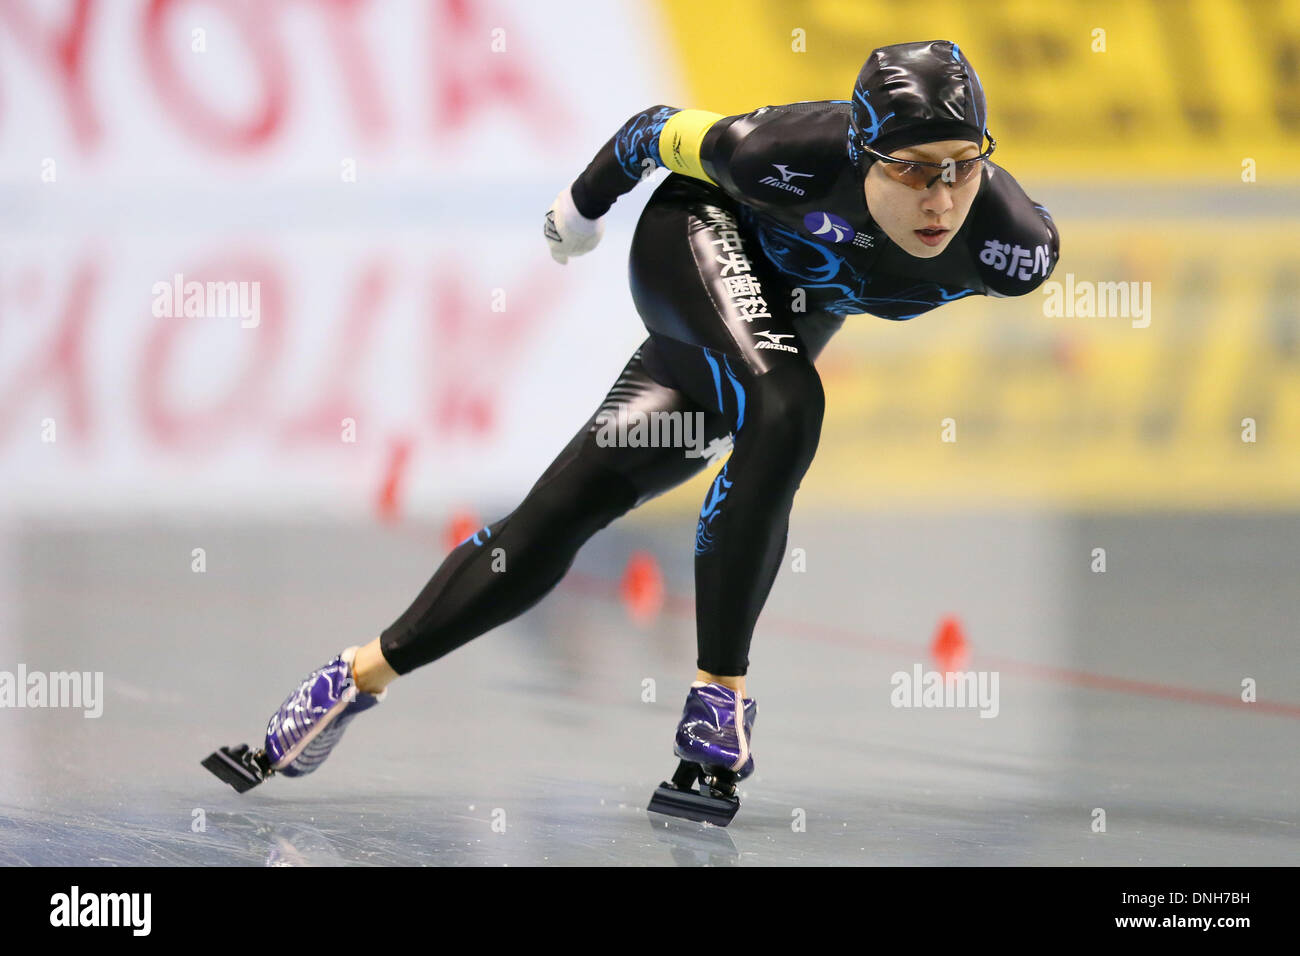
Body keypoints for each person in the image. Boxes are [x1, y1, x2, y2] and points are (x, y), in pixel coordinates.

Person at [252, 40, 1060, 799]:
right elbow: (647, 133)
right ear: (860, 156)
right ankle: (720, 699)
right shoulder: (776, 152)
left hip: (781, 318)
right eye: (914, 171)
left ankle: (354, 677)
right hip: (693, 239)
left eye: (961, 168)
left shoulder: (1013, 248)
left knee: (568, 508)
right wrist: (578, 211)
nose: (941, 198)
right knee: (786, 402)